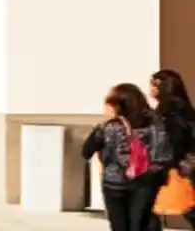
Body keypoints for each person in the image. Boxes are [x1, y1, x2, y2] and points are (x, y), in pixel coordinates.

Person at [82, 83, 170, 231]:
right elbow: (163, 155)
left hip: (114, 184)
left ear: (117, 106)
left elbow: (86, 152)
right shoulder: (156, 124)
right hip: (145, 184)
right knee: (142, 223)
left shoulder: (107, 127)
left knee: (119, 226)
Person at [151, 70, 195, 228]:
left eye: (154, 84)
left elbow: (174, 140)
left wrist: (169, 165)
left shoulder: (170, 112)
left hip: (181, 167)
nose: (150, 89)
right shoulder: (183, 108)